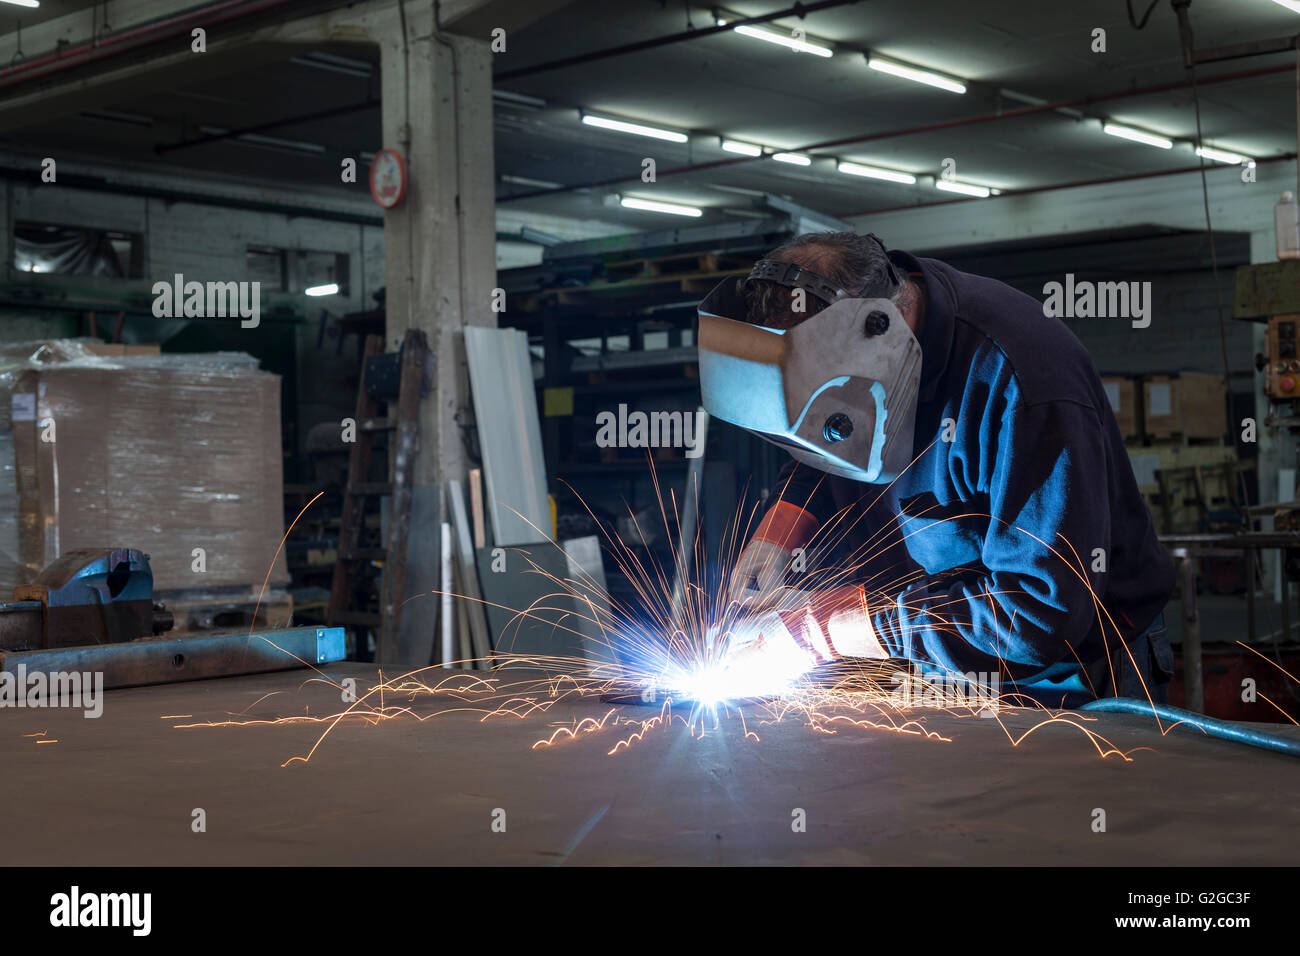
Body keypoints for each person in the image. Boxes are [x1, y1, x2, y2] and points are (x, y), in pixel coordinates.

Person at [696, 231, 1175, 706]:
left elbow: (1037, 615)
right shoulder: (867, 324)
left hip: (1070, 675)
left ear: (884, 327)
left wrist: (825, 630)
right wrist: (782, 526)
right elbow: (821, 440)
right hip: (930, 657)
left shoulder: (1025, 384)